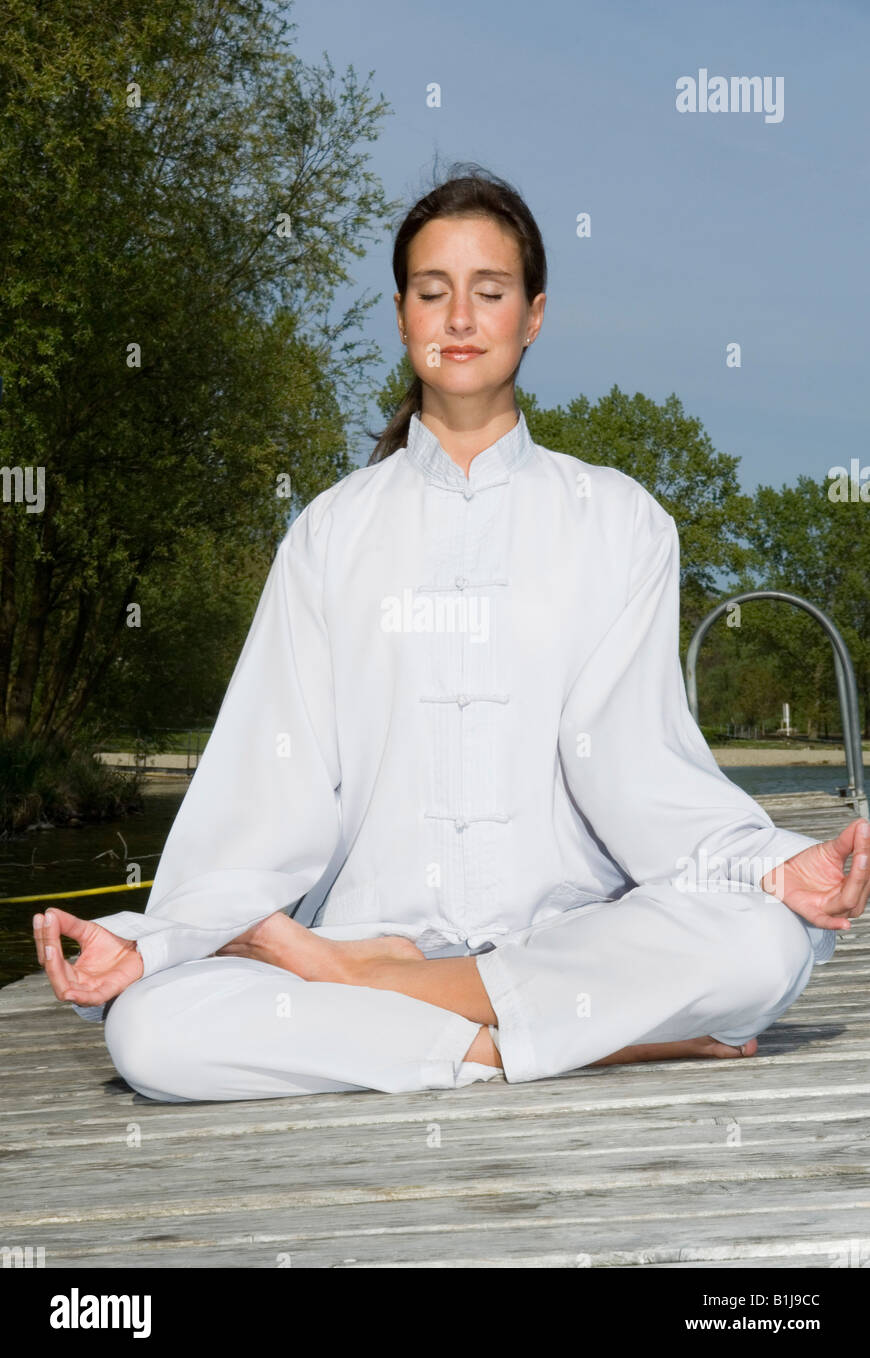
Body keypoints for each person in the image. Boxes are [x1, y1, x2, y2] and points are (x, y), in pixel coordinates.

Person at [33, 164, 870, 1103]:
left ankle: (393, 1004)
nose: (461, 319)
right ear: (402, 317)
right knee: (151, 1031)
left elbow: (645, 772)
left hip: (567, 937)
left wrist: (768, 866)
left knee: (765, 941)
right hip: (364, 927)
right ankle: (562, 1042)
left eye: (490, 292)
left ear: (535, 315)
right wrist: (156, 942)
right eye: (434, 294)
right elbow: (267, 783)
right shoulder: (330, 534)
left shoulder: (621, 521)